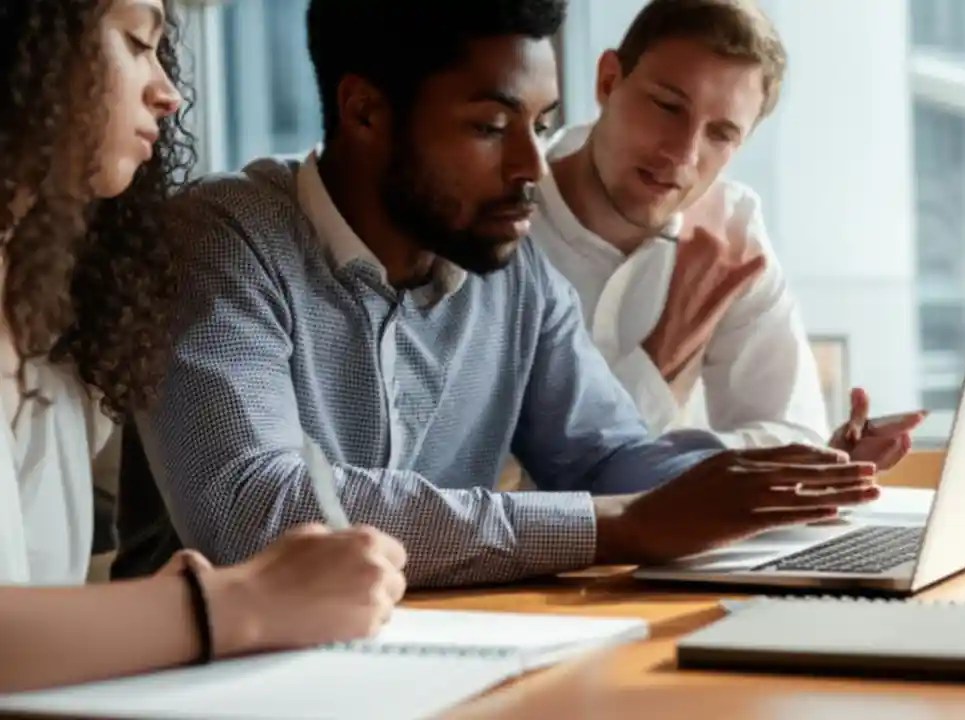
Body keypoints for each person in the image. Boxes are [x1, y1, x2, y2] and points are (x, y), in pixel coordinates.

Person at [124, 0, 880, 589]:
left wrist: (797, 479)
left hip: (442, 660)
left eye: (542, 124)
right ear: (365, 112)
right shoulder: (219, 239)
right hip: (216, 682)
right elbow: (259, 512)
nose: (533, 166)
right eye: (491, 125)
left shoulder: (512, 277)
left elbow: (608, 459)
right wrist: (614, 528)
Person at [0, 0, 407, 693]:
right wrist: (236, 604)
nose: (169, 92)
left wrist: (165, 606)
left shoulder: (54, 334)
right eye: (135, 42)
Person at [534, 0, 924, 463]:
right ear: (608, 81)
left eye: (720, 134)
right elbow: (554, 477)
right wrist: (665, 354)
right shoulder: (500, 214)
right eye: (667, 106)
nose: (682, 154)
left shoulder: (731, 232)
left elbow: (790, 432)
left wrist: (810, 463)